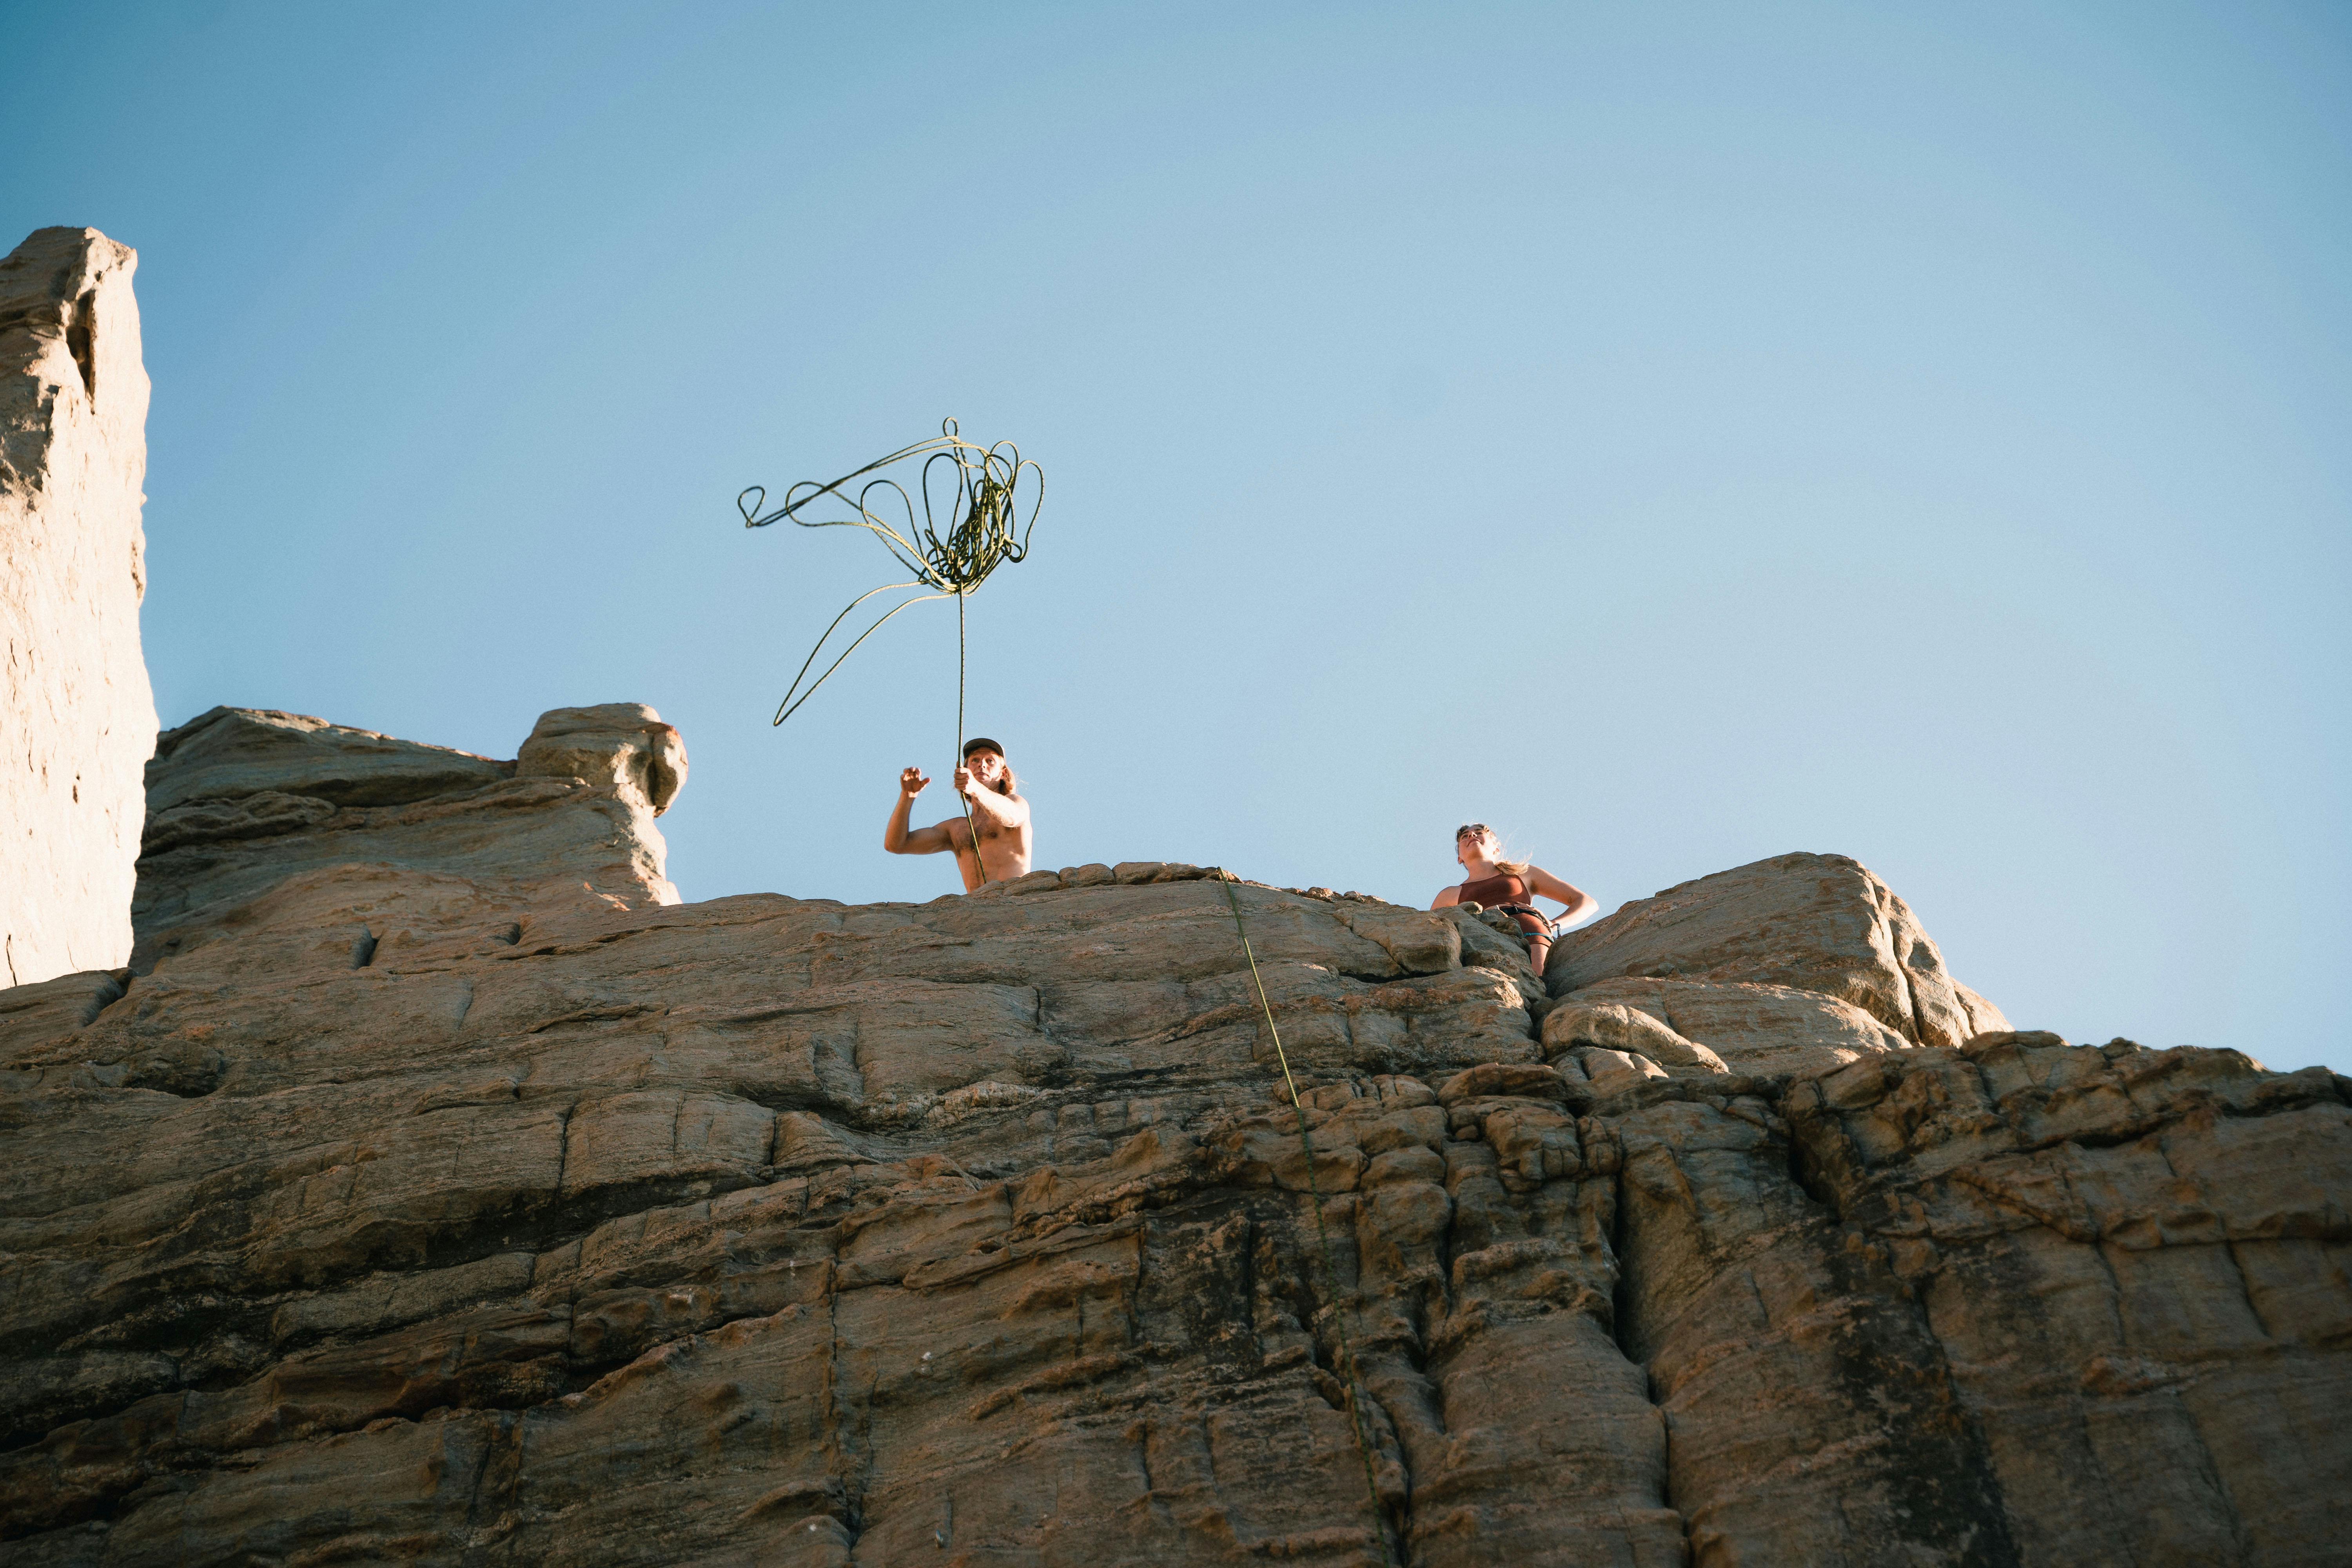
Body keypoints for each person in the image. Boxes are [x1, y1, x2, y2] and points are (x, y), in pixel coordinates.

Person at [1430, 823, 1598, 978]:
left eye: (1479, 833)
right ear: (1460, 857)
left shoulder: (1524, 873)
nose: (1472, 835)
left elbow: (1586, 902)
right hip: (1480, 941)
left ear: (1496, 849)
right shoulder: (1450, 895)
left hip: (1530, 932)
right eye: (1464, 836)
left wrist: (1555, 924)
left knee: (1539, 987)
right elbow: (1428, 935)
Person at [883, 737, 1034, 892]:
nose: (982, 764)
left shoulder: (1016, 802)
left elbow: (1011, 817)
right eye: (975, 760)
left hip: (1015, 901)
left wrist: (975, 788)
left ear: (1003, 774)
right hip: (977, 910)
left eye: (990, 761)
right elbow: (896, 845)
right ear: (965, 769)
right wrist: (907, 797)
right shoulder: (955, 828)